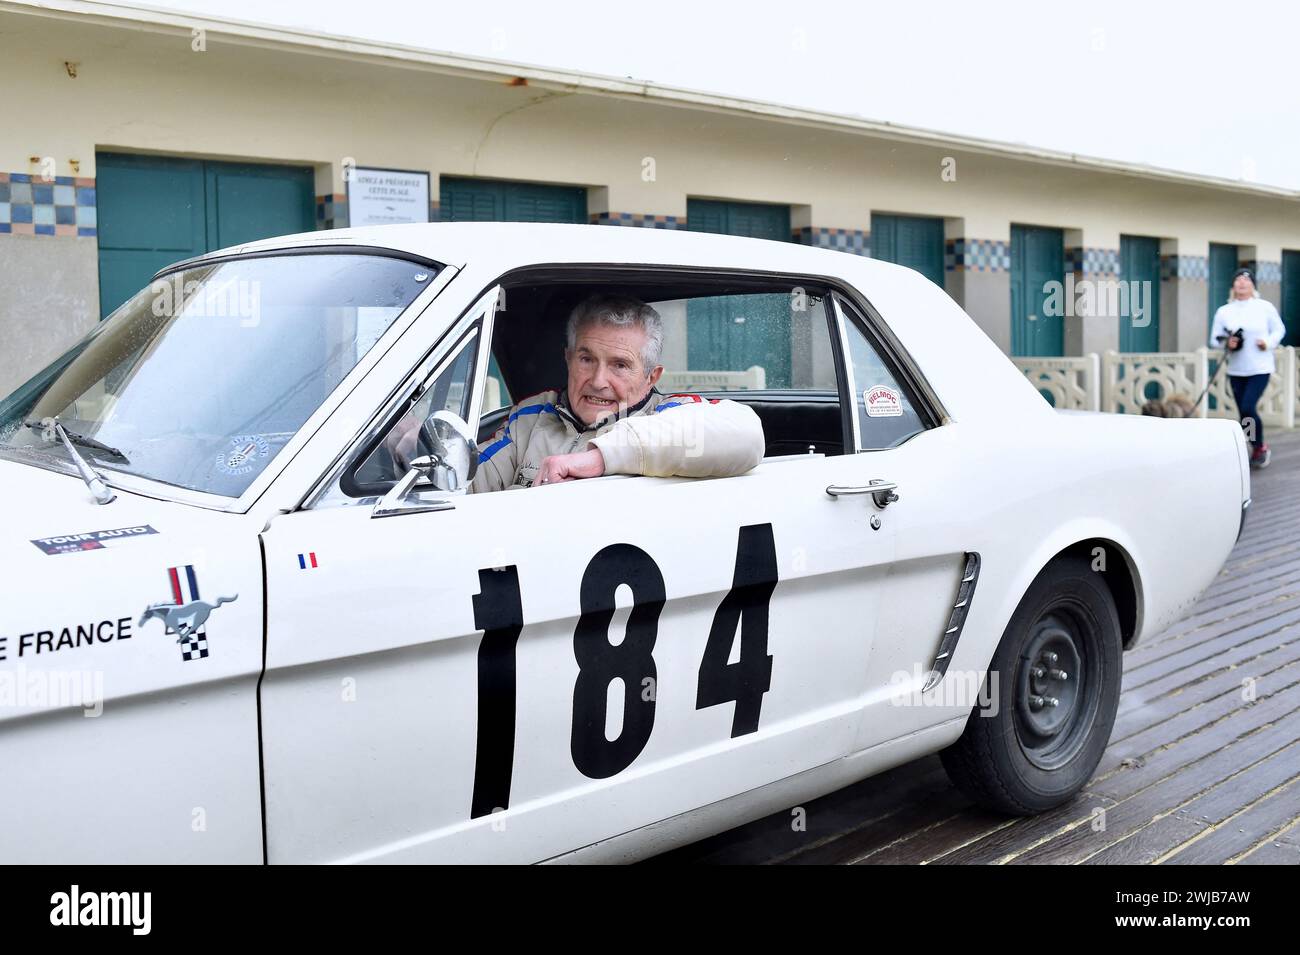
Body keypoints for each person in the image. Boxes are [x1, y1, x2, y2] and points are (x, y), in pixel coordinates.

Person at [391, 294, 766, 491]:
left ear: (652, 377)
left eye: (620, 365)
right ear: (568, 359)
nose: (599, 380)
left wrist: (600, 457)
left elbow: (746, 435)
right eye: (587, 359)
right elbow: (469, 484)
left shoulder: (670, 413)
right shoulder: (531, 417)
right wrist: (413, 443)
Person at [1209, 268, 1285, 468]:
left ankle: (1260, 447)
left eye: (1246, 280)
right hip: (1236, 369)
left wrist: (1267, 342)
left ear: (1253, 285)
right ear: (1233, 285)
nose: (1242, 284)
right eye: (1238, 280)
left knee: (1247, 407)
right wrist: (1228, 343)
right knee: (1243, 413)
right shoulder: (1224, 311)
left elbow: (1279, 329)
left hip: (1260, 367)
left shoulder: (1264, 307)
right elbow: (1214, 339)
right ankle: (1253, 447)